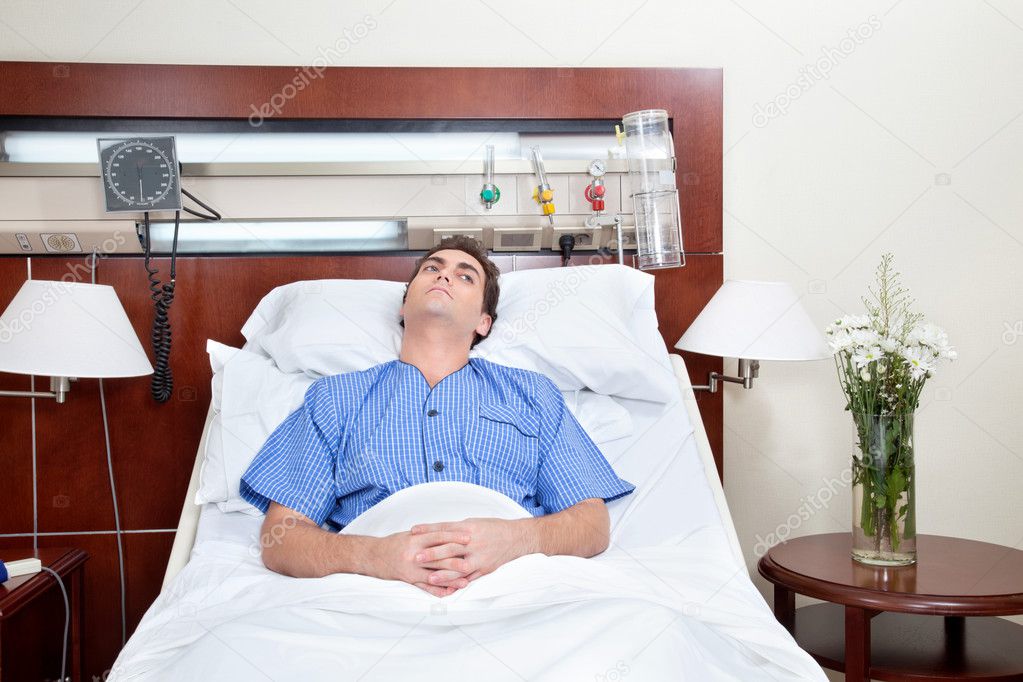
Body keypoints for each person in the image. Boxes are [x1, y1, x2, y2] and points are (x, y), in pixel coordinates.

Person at [240, 236, 634, 597]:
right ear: (404, 303)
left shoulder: (533, 395)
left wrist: (517, 540)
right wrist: (373, 557)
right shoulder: (335, 399)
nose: (444, 274)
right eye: (432, 268)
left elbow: (591, 523)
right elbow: (281, 538)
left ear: (484, 322)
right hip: (371, 591)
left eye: (465, 276)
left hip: (515, 585)